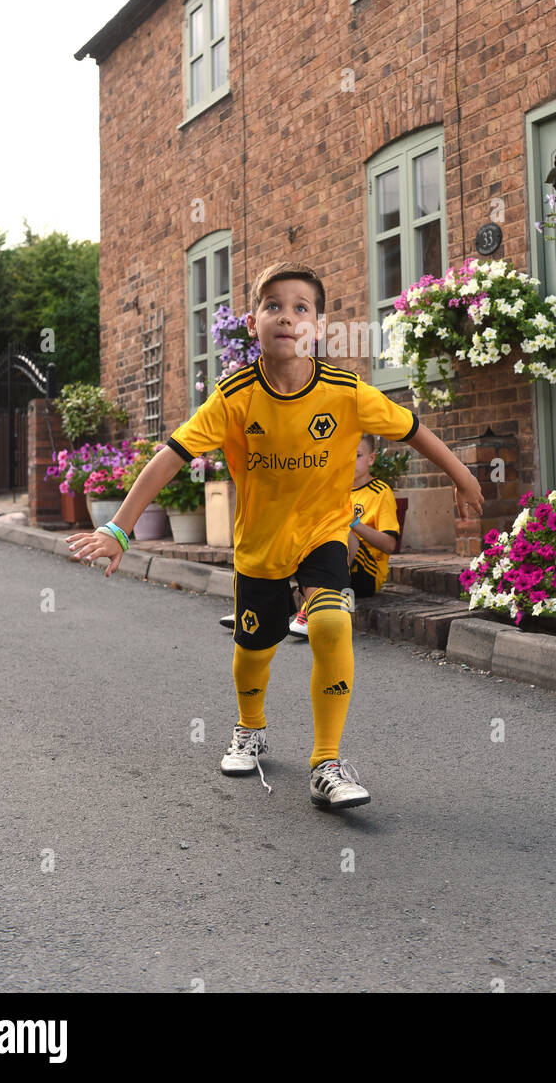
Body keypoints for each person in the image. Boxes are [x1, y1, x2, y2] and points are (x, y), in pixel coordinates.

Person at [66, 260, 483, 810]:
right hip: (260, 547)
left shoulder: (347, 392)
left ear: (318, 324)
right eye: (273, 306)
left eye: (300, 308)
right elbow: (170, 456)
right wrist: (121, 527)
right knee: (253, 650)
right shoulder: (234, 396)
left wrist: (464, 476)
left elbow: (413, 429)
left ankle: (326, 763)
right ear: (253, 321)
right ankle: (250, 727)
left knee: (333, 623)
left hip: (323, 535)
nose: (287, 317)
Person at [289, 433, 398, 637]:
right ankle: (260, 603)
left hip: (367, 573)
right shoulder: (336, 490)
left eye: (357, 455)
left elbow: (389, 544)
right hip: (338, 570)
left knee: (341, 531)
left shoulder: (381, 492)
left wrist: (353, 522)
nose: (351, 461)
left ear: (371, 458)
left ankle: (306, 612)